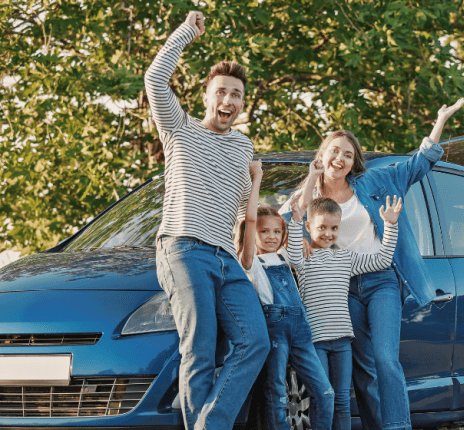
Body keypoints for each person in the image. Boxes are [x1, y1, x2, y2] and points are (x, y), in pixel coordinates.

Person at [284, 97, 464, 430]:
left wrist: (439, 121)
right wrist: (310, 182)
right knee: (363, 368)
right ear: (322, 156)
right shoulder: (306, 196)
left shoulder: (373, 183)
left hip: (380, 279)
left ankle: (397, 426)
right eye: (334, 151)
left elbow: (417, 165)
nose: (340, 158)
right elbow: (284, 225)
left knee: (384, 358)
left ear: (354, 164)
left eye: (348, 155)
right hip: (342, 288)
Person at [145, 11, 269, 430]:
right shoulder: (179, 129)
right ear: (206, 97)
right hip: (182, 247)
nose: (229, 101)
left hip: (225, 258)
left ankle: (208, 425)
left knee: (256, 340)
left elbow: (240, 213)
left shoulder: (243, 146)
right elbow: (154, 80)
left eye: (236, 94)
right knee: (198, 345)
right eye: (221, 92)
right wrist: (185, 33)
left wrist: (257, 183)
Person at [287, 166, 403, 430]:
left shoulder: (346, 259)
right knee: (322, 397)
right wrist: (298, 212)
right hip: (315, 341)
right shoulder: (303, 259)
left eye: (334, 228)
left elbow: (383, 259)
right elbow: (294, 240)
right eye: (322, 227)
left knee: (341, 400)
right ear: (309, 227)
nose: (328, 233)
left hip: (342, 343)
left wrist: (390, 224)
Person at [236, 160, 334, 430]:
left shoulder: (286, 256)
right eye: (264, 231)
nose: (271, 236)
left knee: (325, 392)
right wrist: (256, 179)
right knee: (277, 392)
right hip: (274, 330)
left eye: (277, 232)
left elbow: (299, 209)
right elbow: (250, 216)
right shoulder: (250, 264)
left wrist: (314, 174)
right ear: (251, 233)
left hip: (301, 329)